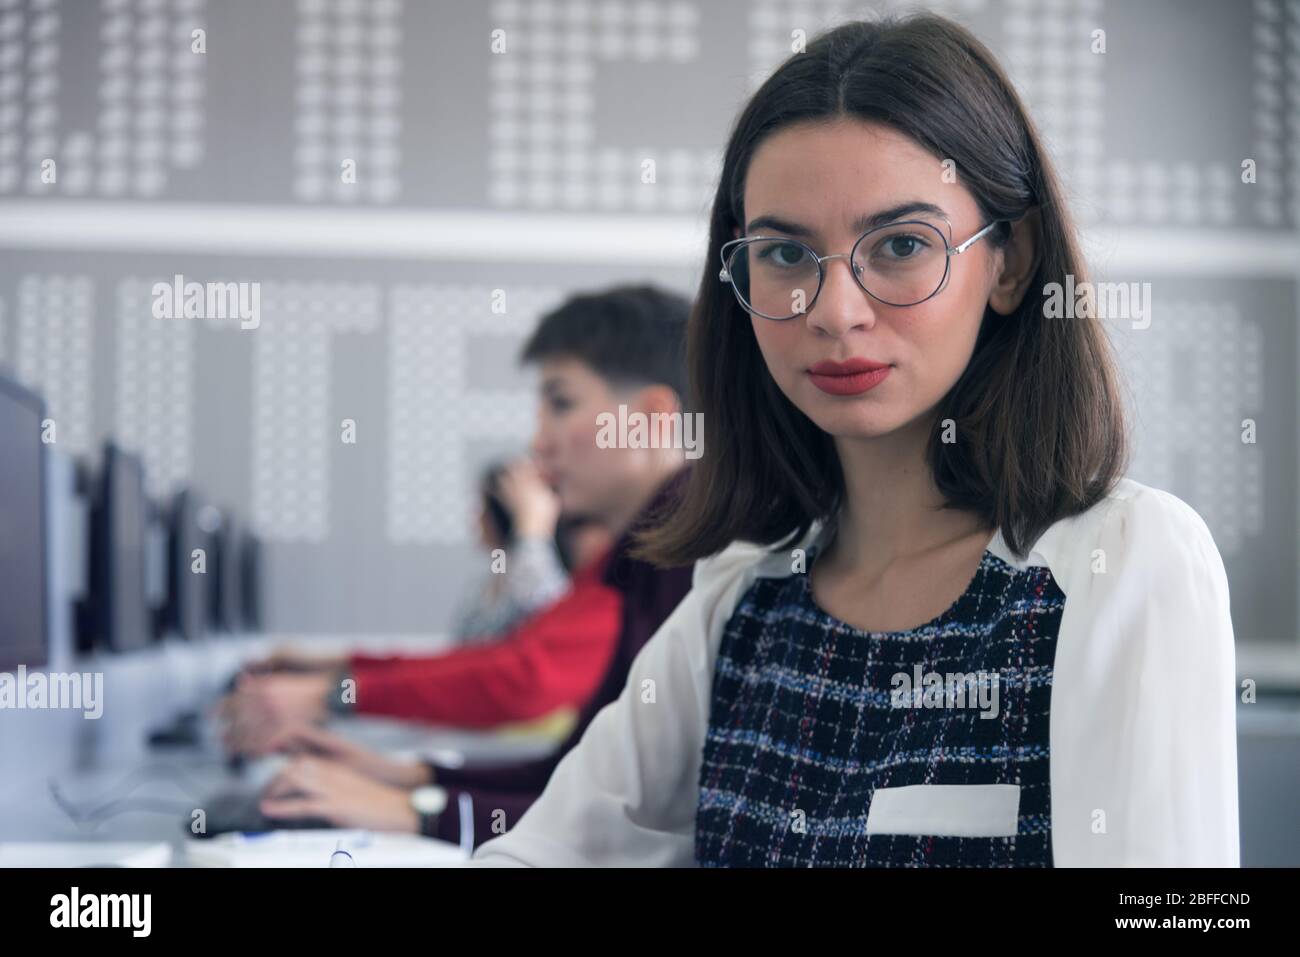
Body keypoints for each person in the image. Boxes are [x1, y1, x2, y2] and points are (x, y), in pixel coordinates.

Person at [468, 14, 1239, 867]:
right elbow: (546, 849)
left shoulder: (1120, 564)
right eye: (786, 254)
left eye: (902, 245)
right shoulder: (742, 592)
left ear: (1010, 263)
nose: (835, 311)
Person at [234, 285, 699, 844]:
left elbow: (527, 682)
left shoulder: (699, 556)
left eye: (561, 403)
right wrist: (414, 777)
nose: (538, 442)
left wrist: (418, 810)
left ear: (651, 417)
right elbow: (576, 773)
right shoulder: (641, 554)